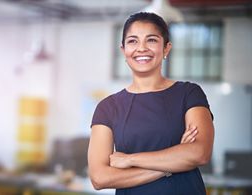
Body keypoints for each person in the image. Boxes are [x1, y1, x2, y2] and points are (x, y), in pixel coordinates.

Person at [87, 12, 214, 195]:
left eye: (151, 40)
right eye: (133, 41)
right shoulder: (108, 107)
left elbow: (200, 153)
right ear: (123, 50)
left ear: (166, 48)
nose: (142, 48)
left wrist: (130, 160)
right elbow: (99, 178)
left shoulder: (189, 93)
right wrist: (171, 163)